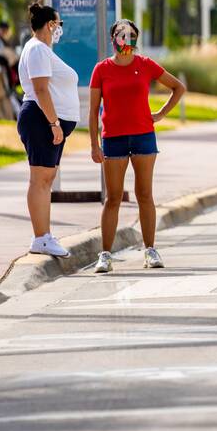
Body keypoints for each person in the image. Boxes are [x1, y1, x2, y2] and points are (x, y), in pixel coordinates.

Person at [88, 19, 186, 273]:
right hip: (113, 138)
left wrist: (162, 113)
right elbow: (92, 112)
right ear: (113, 39)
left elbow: (178, 87)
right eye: (121, 34)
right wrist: (94, 145)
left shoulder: (145, 65)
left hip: (143, 135)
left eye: (131, 35)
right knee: (113, 198)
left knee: (144, 194)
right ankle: (105, 255)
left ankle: (150, 250)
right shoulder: (101, 69)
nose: (126, 39)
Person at [17, 2, 79, 258]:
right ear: (50, 24)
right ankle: (41, 238)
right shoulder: (37, 50)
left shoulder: (41, 50)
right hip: (42, 121)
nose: (60, 30)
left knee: (46, 180)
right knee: (40, 180)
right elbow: (40, 89)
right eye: (59, 24)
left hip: (47, 121)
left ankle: (44, 235)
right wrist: (54, 123)